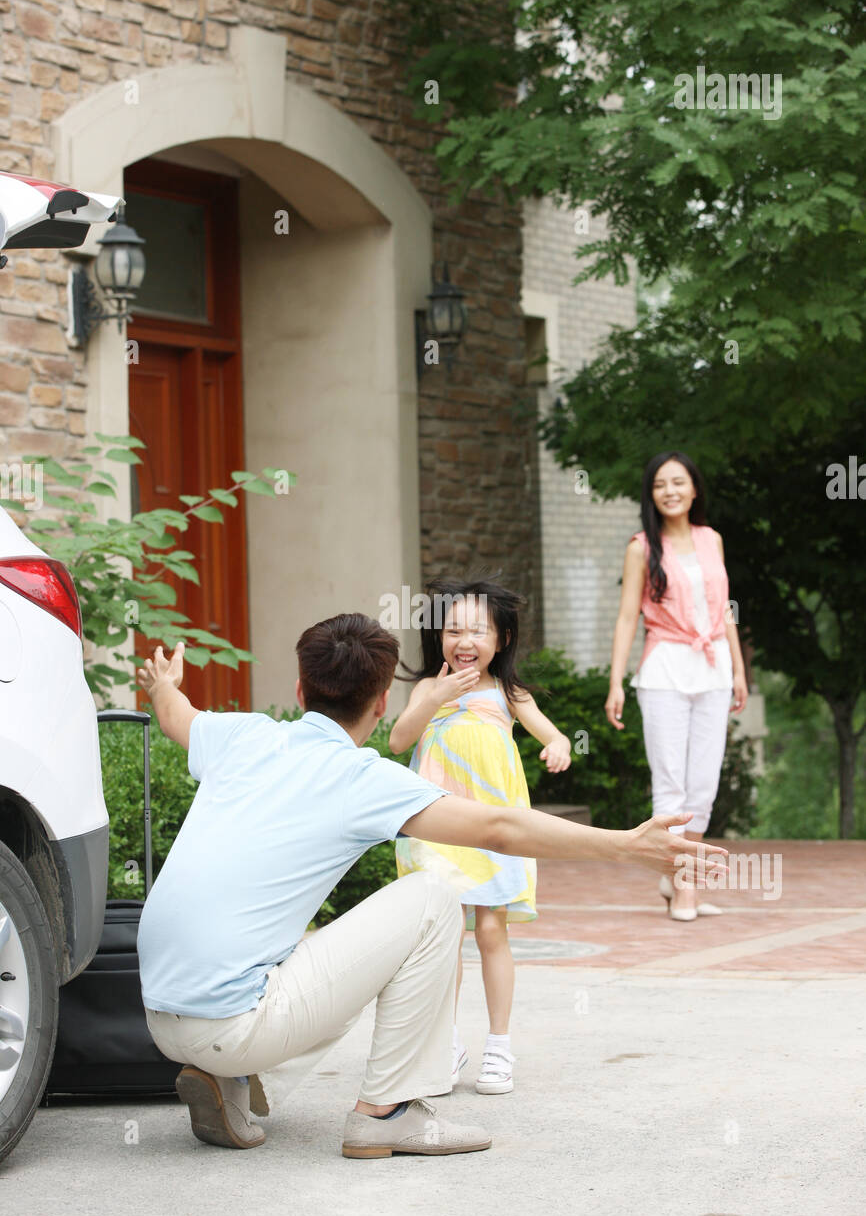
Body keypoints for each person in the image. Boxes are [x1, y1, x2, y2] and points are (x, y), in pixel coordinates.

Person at [137, 612, 726, 1159]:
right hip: (234, 1024)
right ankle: (386, 1112)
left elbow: (174, 714)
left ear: (300, 690)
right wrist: (626, 845)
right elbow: (497, 825)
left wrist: (164, 680)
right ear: (379, 704)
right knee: (437, 893)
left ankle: (228, 1079)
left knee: (316, 951)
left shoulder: (244, 736)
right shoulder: (361, 778)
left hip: (159, 1016)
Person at [390, 578, 571, 1096]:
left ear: (503, 638)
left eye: (477, 631)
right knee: (445, 939)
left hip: (494, 828)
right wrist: (437, 696)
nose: (464, 641)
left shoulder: (508, 692)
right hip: (437, 826)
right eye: (452, 631)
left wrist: (559, 747)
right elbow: (399, 739)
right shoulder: (428, 688)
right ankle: (445, 1044)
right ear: (437, 637)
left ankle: (498, 1046)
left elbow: (551, 732)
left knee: (492, 932)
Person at [604, 452, 747, 921]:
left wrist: (740, 670)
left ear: (694, 489)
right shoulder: (641, 547)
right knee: (671, 782)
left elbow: (723, 609)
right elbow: (628, 616)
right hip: (664, 668)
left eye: (678, 482)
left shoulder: (712, 540)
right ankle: (684, 887)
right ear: (651, 494)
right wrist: (616, 681)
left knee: (703, 783)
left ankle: (677, 876)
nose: (670, 491)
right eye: (660, 484)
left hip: (714, 669)